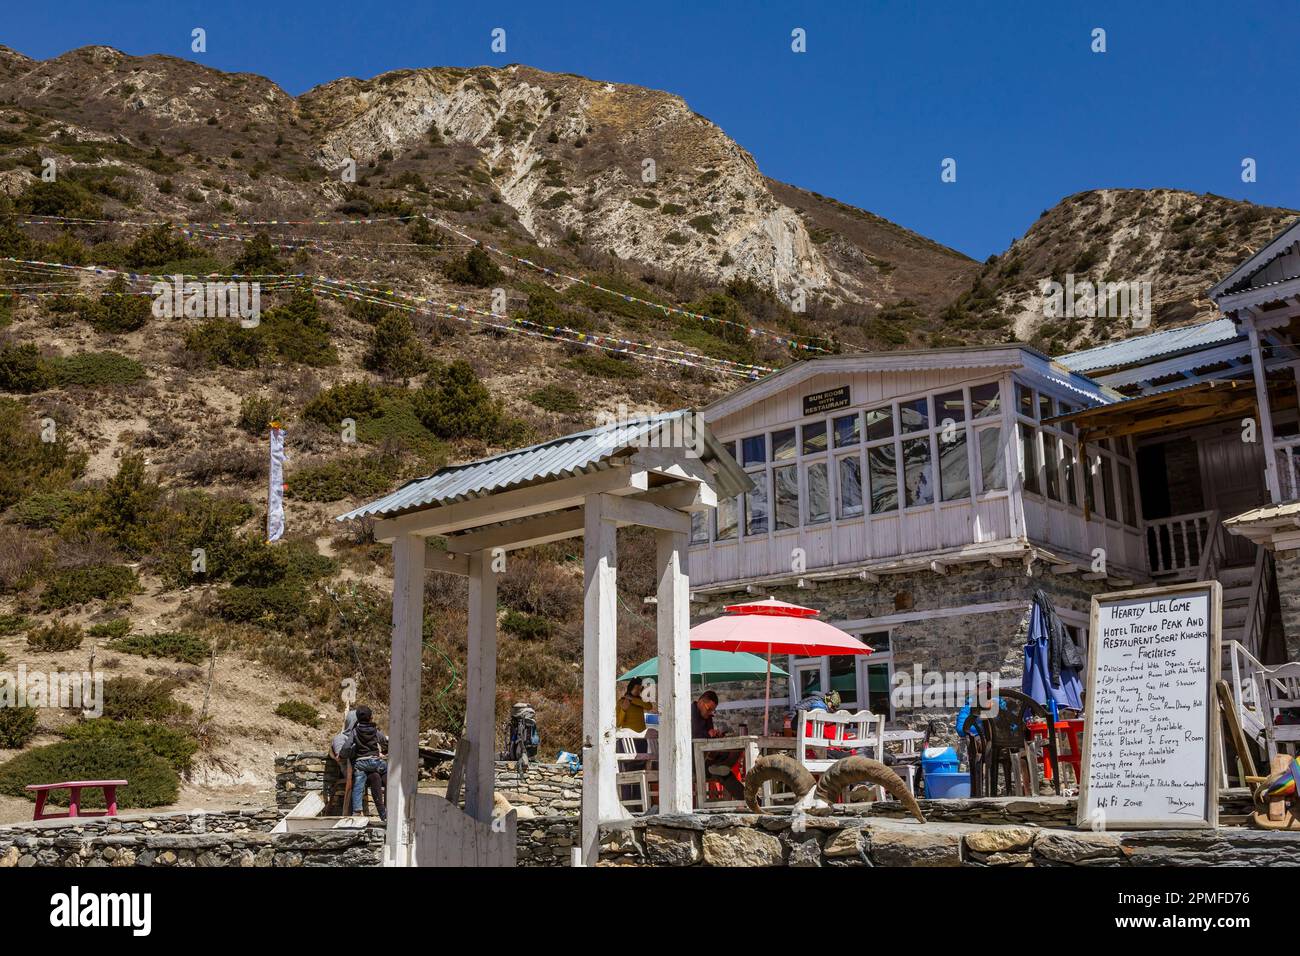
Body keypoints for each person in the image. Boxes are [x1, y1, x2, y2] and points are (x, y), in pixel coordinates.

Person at [692, 691, 743, 801]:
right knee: (725, 774)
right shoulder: (690, 713)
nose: (710, 713)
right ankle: (751, 801)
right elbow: (694, 735)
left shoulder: (707, 715)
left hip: (708, 757)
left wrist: (715, 735)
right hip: (693, 761)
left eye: (712, 710)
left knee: (731, 758)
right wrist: (708, 734)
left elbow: (709, 736)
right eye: (709, 709)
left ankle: (751, 800)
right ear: (701, 702)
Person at [349, 705, 389, 820]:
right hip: (375, 762)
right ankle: (389, 808)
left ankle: (356, 810)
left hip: (360, 764)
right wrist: (385, 749)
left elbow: (346, 746)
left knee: (358, 785)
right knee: (389, 772)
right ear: (371, 717)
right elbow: (384, 741)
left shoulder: (355, 732)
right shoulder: (375, 731)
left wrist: (344, 754)